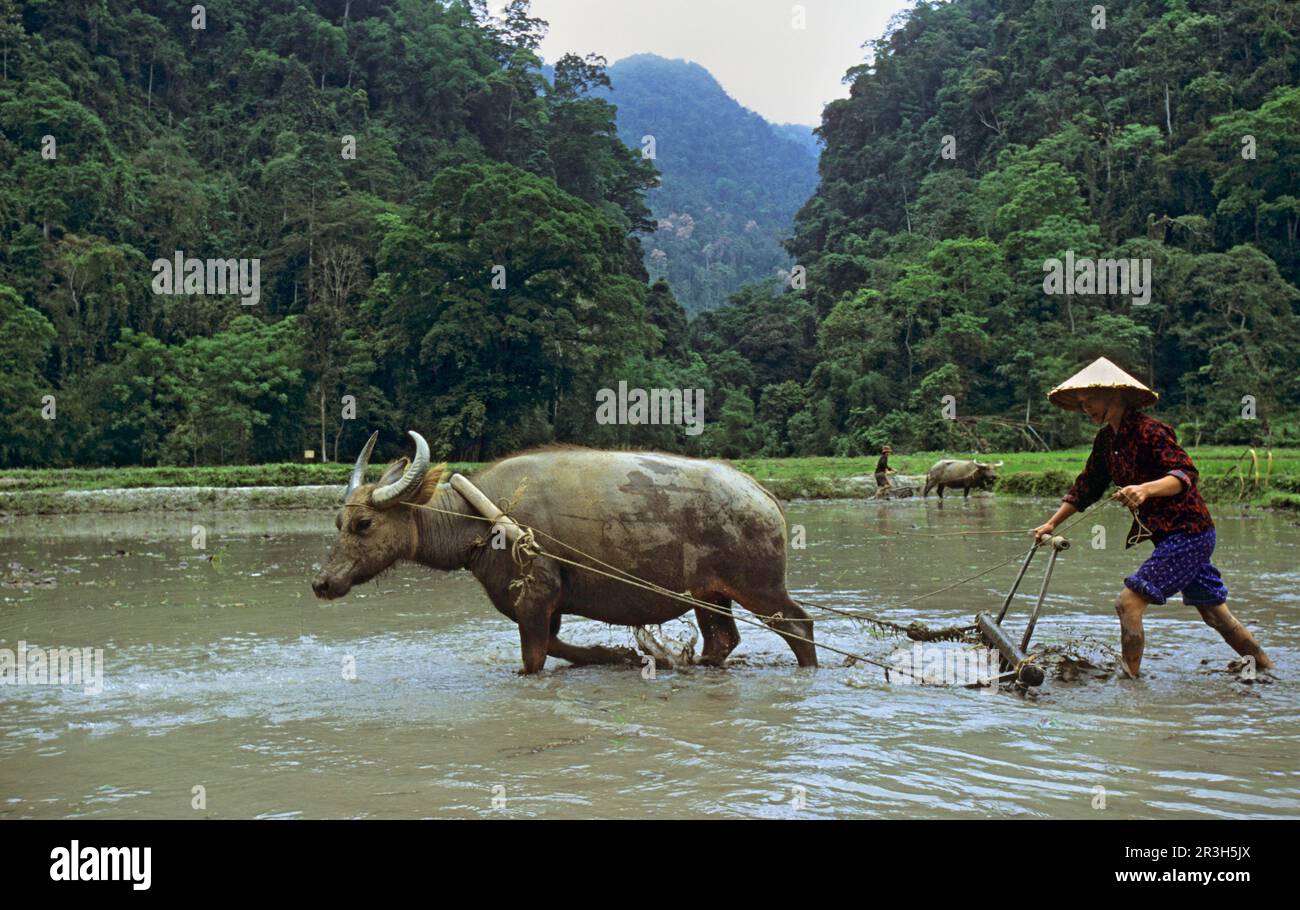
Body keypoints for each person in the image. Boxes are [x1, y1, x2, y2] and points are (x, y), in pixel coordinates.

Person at [1030, 357, 1272, 678]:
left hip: (1189, 532)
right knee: (1216, 617)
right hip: (1170, 536)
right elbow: (1086, 487)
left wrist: (1146, 489)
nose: (1085, 408)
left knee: (1127, 604)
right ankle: (1268, 670)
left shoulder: (1151, 431)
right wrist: (1051, 524)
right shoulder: (1105, 441)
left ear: (1115, 396)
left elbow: (1184, 473)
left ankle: (1130, 684)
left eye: (1090, 401)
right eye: (1081, 403)